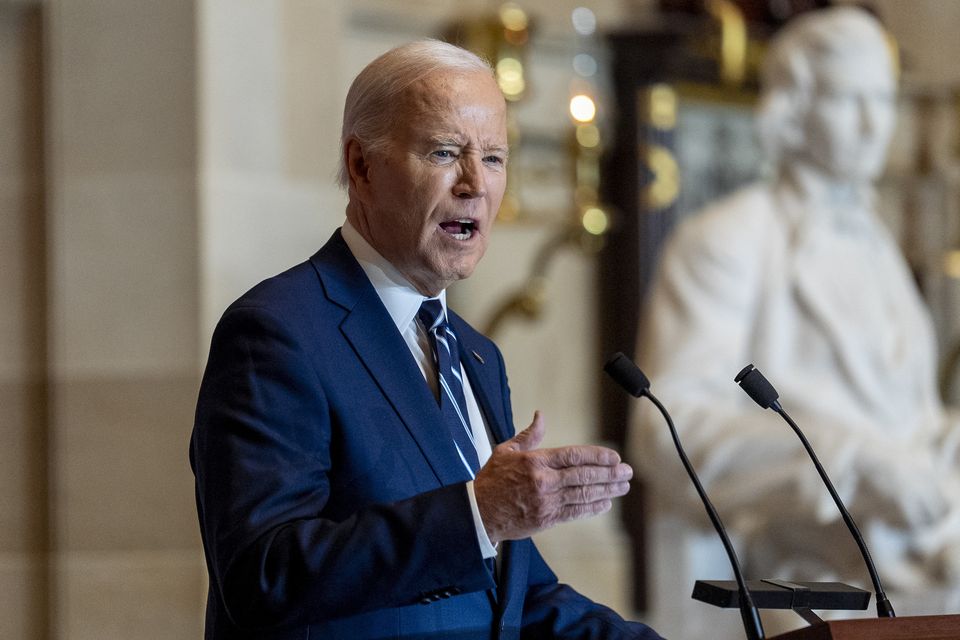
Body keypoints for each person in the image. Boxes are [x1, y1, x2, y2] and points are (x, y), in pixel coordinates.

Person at [190, 40, 663, 639]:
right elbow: (263, 577)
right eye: (445, 152)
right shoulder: (277, 332)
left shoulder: (475, 353)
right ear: (361, 167)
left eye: (494, 158)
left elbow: (518, 598)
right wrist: (479, 514)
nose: (476, 185)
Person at [632, 6, 960, 609]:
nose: (871, 126)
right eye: (846, 100)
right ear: (793, 106)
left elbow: (907, 414)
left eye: (883, 101)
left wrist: (945, 438)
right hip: (805, 552)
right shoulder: (726, 239)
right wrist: (853, 461)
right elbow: (666, 426)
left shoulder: (877, 243)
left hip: (921, 528)